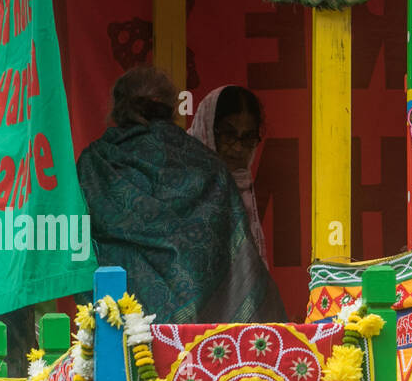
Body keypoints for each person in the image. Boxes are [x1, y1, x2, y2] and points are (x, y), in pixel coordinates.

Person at [76, 67, 285, 323]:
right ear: (171, 108)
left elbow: (77, 242)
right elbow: (240, 263)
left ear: (118, 107)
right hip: (198, 338)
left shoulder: (94, 164)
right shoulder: (209, 167)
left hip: (116, 323)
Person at [189, 86, 270, 268]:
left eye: (248, 137)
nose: (238, 148)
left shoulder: (241, 187)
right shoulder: (186, 182)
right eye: (229, 135)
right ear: (208, 129)